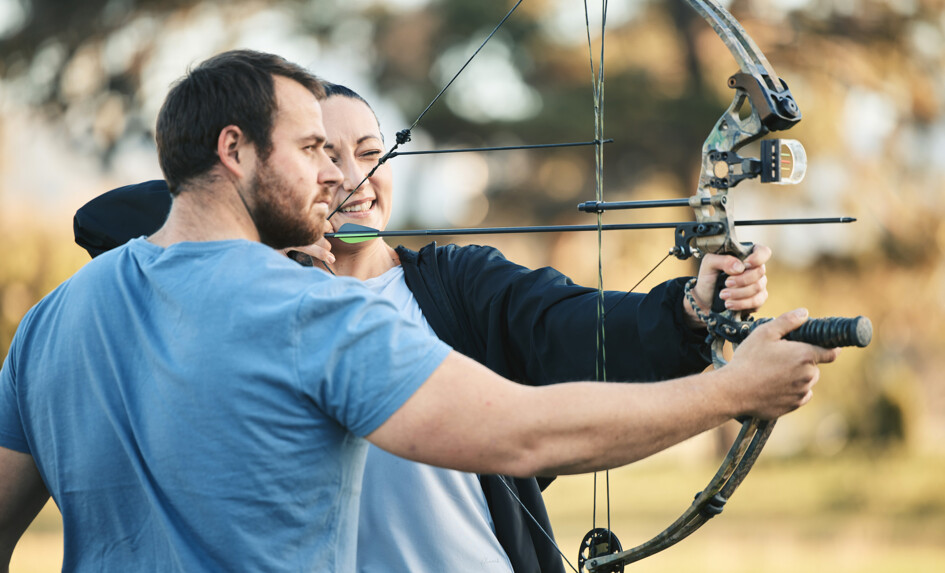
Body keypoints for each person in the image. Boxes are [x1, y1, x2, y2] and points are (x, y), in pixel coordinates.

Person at [1, 49, 838, 572]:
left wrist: (693, 309)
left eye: (361, 154)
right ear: (234, 150)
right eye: (314, 151)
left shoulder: (49, 321)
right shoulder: (309, 311)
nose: (339, 178)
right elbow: (523, 433)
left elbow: (574, 329)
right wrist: (737, 391)